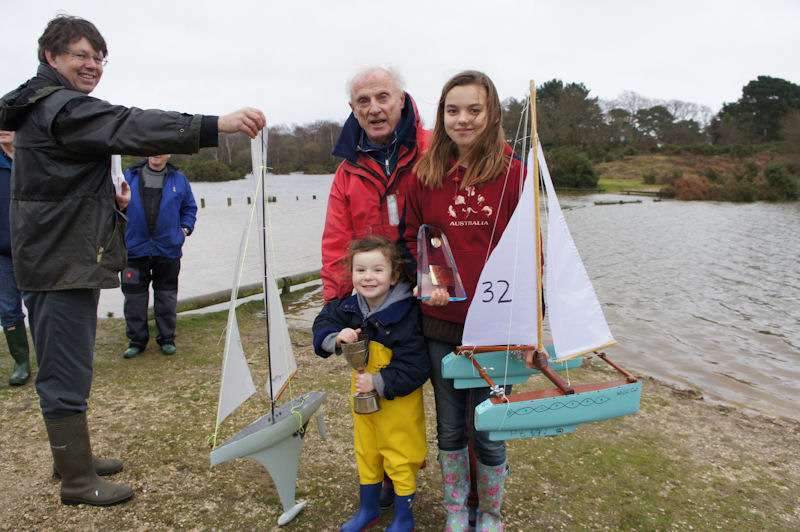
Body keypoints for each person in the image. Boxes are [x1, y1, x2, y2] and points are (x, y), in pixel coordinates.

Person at [0, 15, 265, 507]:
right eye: (81, 54)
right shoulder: (61, 106)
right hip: (56, 260)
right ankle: (78, 481)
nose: (92, 65)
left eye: (99, 57)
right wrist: (213, 125)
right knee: (64, 369)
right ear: (51, 58)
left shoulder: (46, 106)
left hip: (60, 253)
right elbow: (127, 125)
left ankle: (70, 460)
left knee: (69, 364)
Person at [400, 71, 530, 531]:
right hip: (440, 324)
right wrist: (426, 279)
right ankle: (458, 509)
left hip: (499, 329)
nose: (463, 119)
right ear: (442, 115)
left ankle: (489, 513)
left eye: (473, 109)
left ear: (491, 113)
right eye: (453, 110)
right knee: (451, 428)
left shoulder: (515, 174)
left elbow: (529, 253)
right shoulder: (424, 175)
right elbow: (412, 240)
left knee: (490, 430)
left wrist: (530, 328)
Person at [313, 235, 430, 532]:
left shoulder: (406, 313)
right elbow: (323, 321)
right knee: (367, 451)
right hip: (363, 403)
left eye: (377, 270)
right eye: (360, 270)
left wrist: (377, 381)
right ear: (351, 274)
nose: (368, 277)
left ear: (393, 277)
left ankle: (405, 517)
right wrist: (336, 336)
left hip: (398, 404)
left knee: (399, 455)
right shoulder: (350, 307)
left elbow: (417, 366)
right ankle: (369, 509)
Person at [321, 67, 431, 304]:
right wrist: (333, 308)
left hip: (435, 293)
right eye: (363, 100)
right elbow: (336, 247)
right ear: (354, 109)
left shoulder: (436, 151)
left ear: (401, 99)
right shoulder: (346, 173)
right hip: (380, 301)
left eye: (382, 97)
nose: (374, 108)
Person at [120, 154, 197, 358]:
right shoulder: (129, 175)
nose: (157, 153)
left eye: (162, 149)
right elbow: (115, 206)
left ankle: (167, 338)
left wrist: (185, 230)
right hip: (134, 249)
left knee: (166, 296)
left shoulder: (179, 179)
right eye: (153, 148)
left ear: (169, 153)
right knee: (134, 298)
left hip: (168, 249)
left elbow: (189, 208)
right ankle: (136, 340)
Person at [0, 130, 31, 386]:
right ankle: (21, 363)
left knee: (42, 307)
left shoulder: (35, 159)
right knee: (9, 308)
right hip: (2, 253)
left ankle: (50, 359)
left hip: (36, 250)